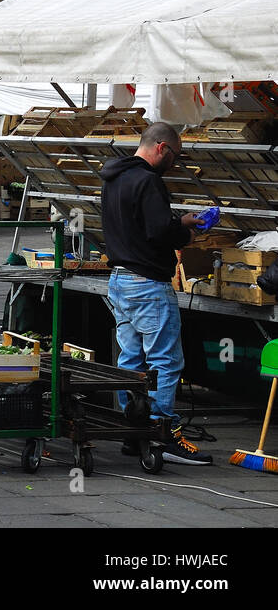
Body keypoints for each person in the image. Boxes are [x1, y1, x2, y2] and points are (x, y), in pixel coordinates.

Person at [100, 122, 211, 466]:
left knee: (130, 359)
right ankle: (163, 433)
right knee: (165, 361)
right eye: (175, 157)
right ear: (161, 147)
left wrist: (179, 222)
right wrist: (185, 232)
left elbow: (138, 226)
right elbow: (159, 232)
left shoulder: (114, 177)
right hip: (148, 283)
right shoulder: (148, 180)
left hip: (120, 280)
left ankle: (133, 432)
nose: (174, 164)